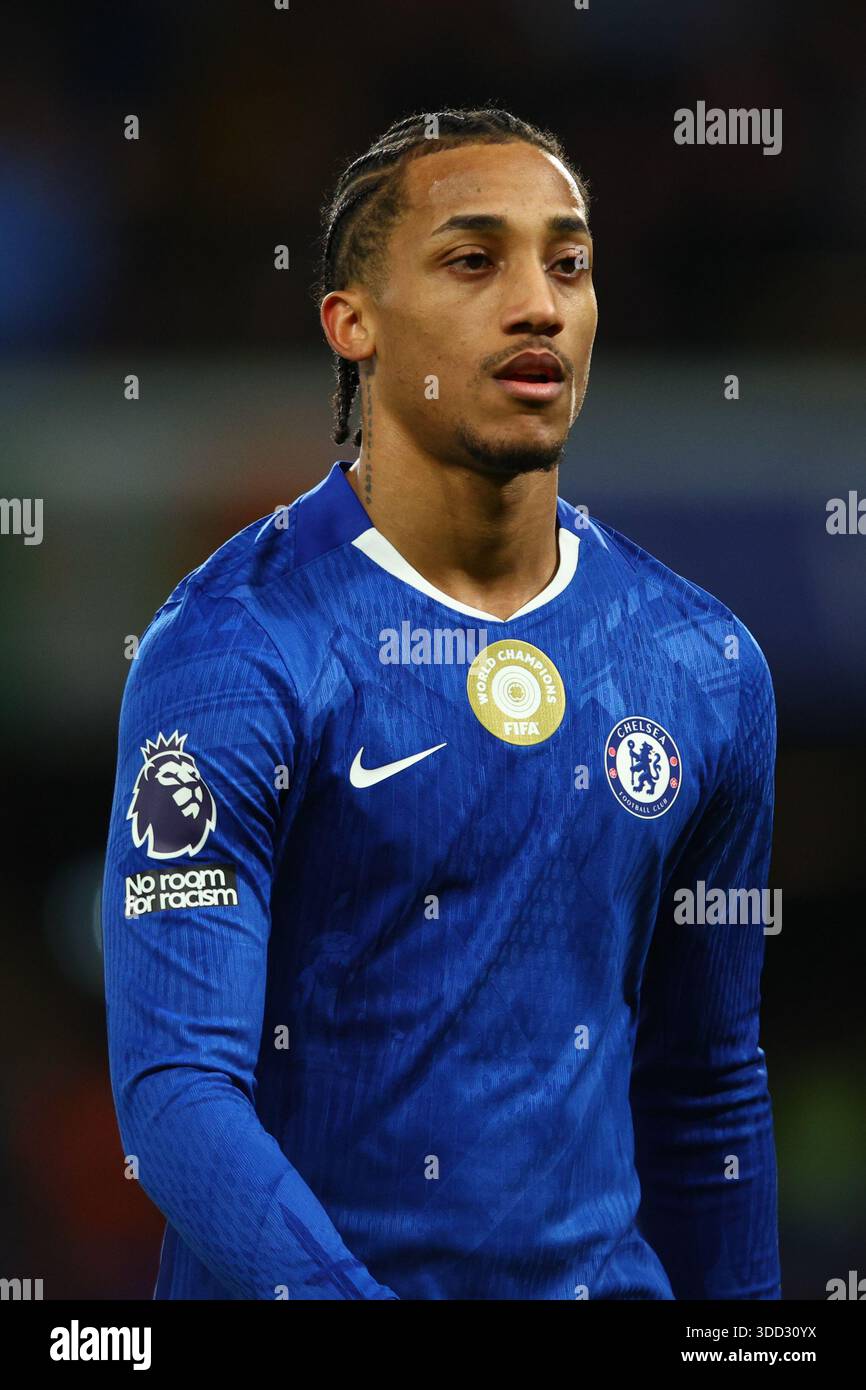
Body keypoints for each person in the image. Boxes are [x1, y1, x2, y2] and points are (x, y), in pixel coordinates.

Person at [102, 107, 780, 1300]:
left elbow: (706, 1085)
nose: (537, 304)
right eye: (474, 261)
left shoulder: (701, 662)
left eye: (565, 263)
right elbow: (175, 1096)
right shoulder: (233, 651)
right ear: (352, 324)